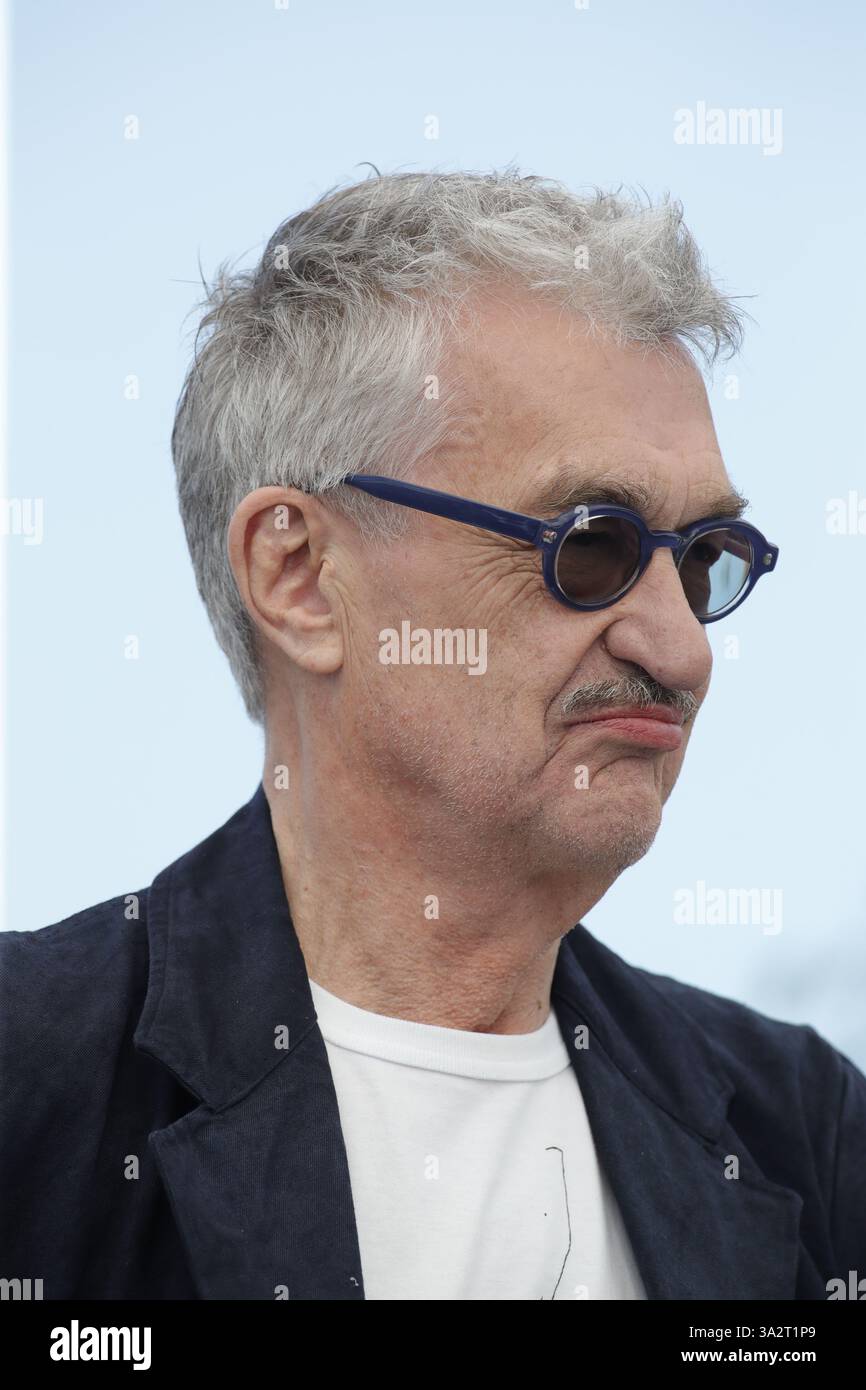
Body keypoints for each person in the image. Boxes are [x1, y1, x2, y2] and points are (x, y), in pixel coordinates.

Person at [2, 170, 863, 1301]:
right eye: (589, 546)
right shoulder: (32, 1082)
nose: (681, 647)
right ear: (300, 576)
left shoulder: (801, 1124)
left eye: (702, 558)